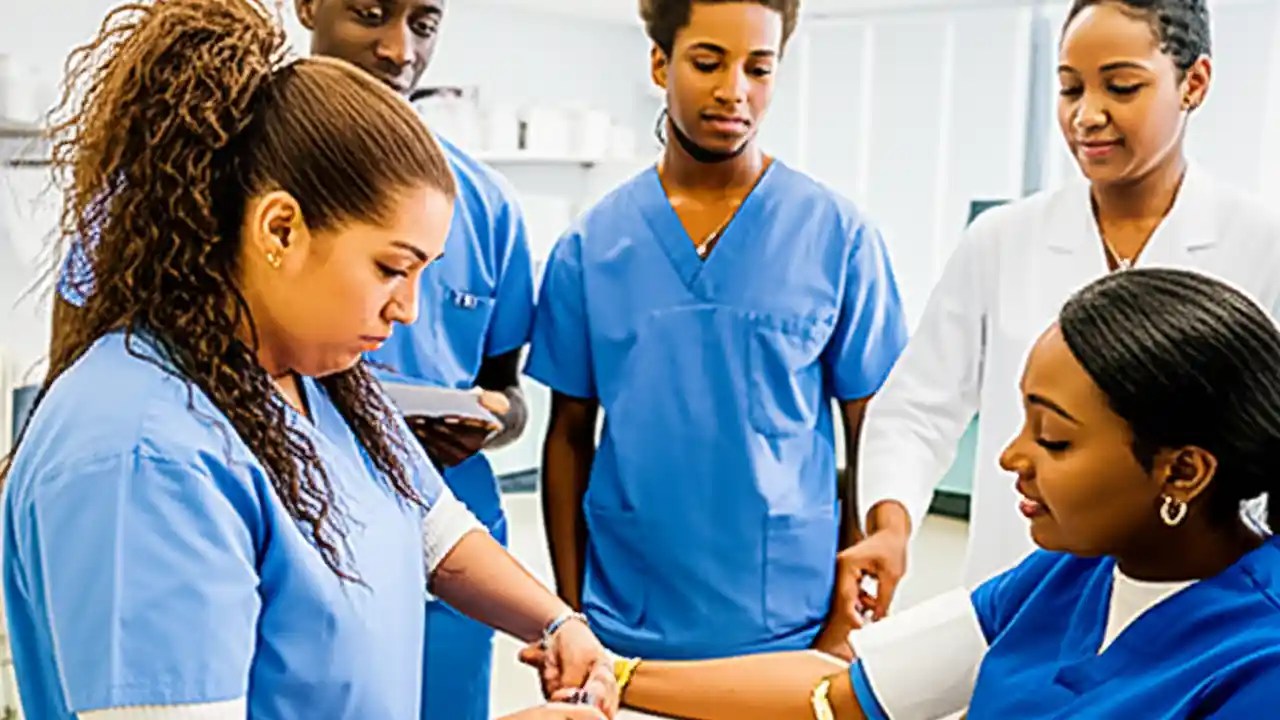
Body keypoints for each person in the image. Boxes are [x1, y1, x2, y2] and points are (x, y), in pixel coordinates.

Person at [0, 1, 612, 719]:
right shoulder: (144, 456)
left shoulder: (316, 382)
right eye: (392, 269)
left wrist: (557, 622)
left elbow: (429, 526)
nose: (410, 308)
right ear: (281, 229)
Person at [524, 267, 1280, 719]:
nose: (1013, 456)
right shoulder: (1067, 576)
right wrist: (614, 677)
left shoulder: (1257, 665)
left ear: (1182, 472)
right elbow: (839, 697)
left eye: (1053, 439)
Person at [849, 0, 1280, 608]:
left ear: (1195, 83)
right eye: (1070, 88)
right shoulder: (1002, 240)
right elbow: (917, 408)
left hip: (1195, 604)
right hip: (1016, 589)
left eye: (1122, 87)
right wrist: (891, 526)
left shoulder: (1262, 246)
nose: (1087, 115)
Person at [524, 0, 908, 665]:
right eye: (707, 62)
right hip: (628, 617)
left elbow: (869, 427)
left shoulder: (837, 237)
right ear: (659, 63)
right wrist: (568, 613)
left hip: (790, 617)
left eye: (759, 68)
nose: (735, 90)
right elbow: (567, 434)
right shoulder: (591, 246)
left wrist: (847, 614)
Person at [290, 2, 536, 717]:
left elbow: (504, 390)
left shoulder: (482, 205)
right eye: (370, 13)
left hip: (440, 540)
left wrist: (485, 418)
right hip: (298, 540)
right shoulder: (211, 176)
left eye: (424, 24)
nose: (398, 50)